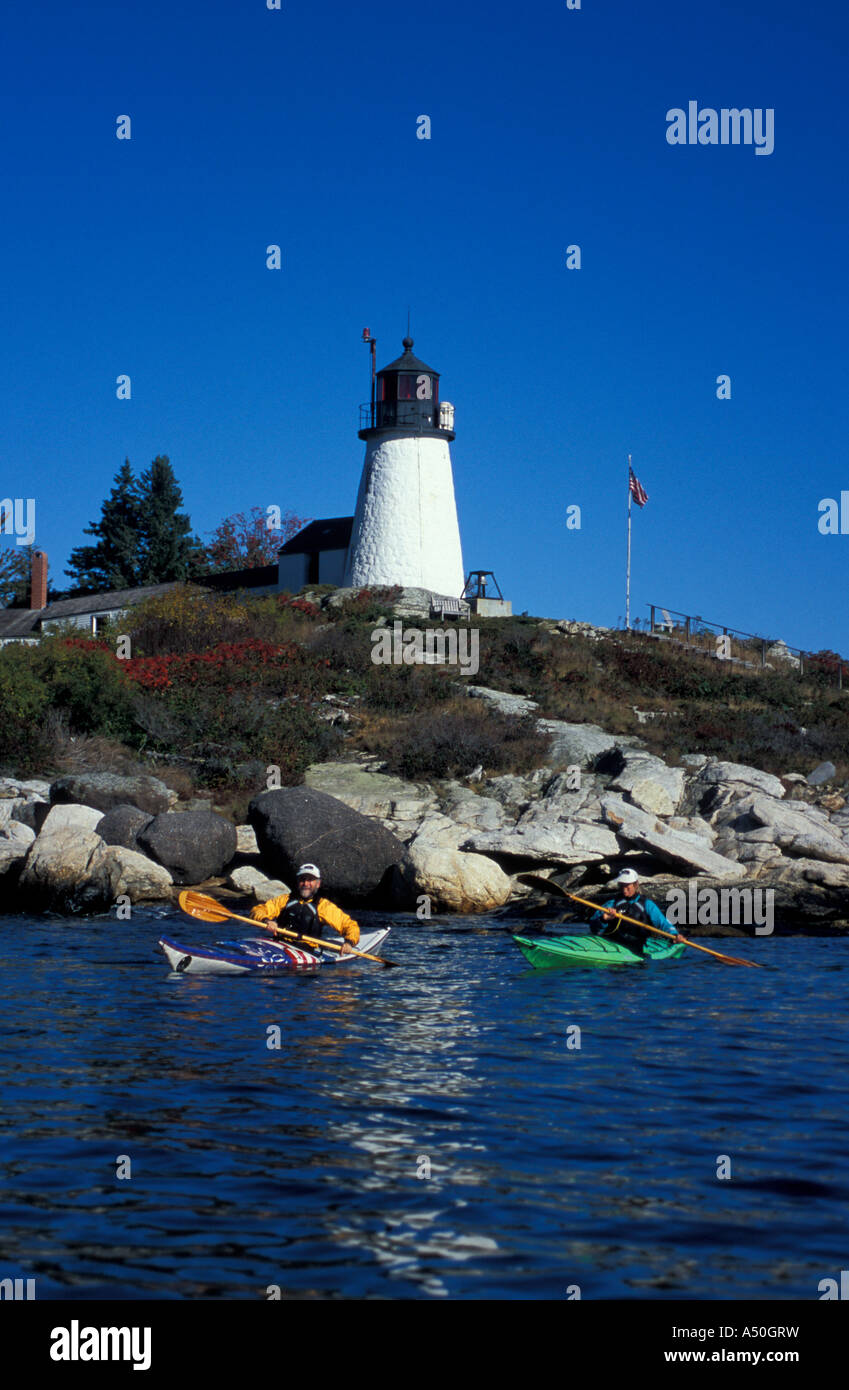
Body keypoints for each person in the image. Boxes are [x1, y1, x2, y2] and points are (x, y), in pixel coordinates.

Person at [249, 863, 360, 955]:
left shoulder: (323, 906)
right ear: (298, 881)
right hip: (279, 944)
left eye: (310, 880)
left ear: (318, 883)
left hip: (305, 951)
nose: (306, 884)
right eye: (302, 879)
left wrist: (349, 942)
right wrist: (267, 921)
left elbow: (349, 925)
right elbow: (258, 910)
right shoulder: (284, 900)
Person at [590, 868, 684, 957]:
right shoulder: (611, 904)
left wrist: (675, 935)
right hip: (611, 942)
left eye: (627, 886)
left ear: (636, 885)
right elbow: (593, 928)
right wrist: (604, 919)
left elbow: (663, 923)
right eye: (621, 885)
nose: (624, 889)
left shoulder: (647, 905)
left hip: (636, 946)